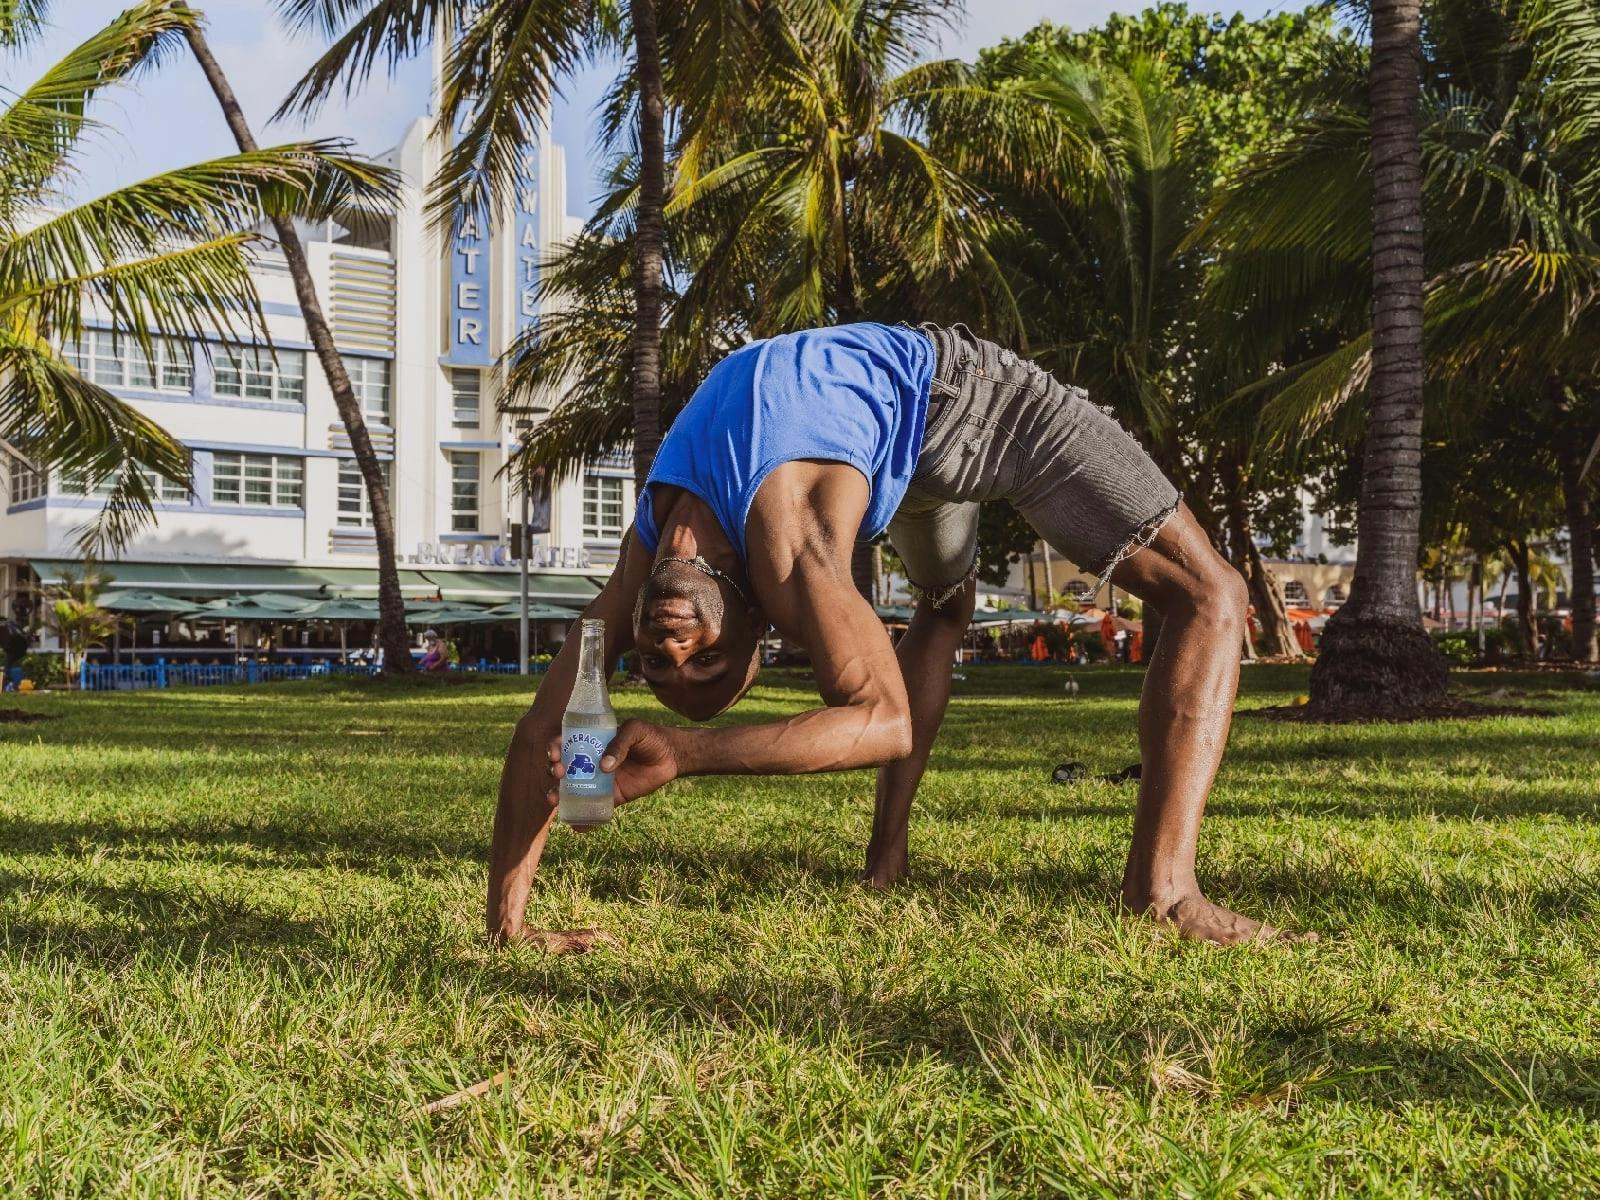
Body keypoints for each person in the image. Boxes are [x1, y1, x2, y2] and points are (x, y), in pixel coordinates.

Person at [489, 322, 1309, 946]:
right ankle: (887, 859)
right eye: (686, 669)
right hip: (883, 448)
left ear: (757, 615)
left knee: (1210, 593)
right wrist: (509, 929)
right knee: (946, 609)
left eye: (700, 671)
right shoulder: (642, 585)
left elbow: (884, 724)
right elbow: (543, 739)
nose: (680, 666)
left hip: (968, 401)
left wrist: (686, 751)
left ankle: (1162, 894)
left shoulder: (792, 548)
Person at [2, 610, 29, 692]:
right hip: (18, 647)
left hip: (15, 648)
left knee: (7, 665)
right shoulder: (10, 624)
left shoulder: (6, 627)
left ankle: (9, 683)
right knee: (8, 665)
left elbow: (8, 640)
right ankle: (9, 682)